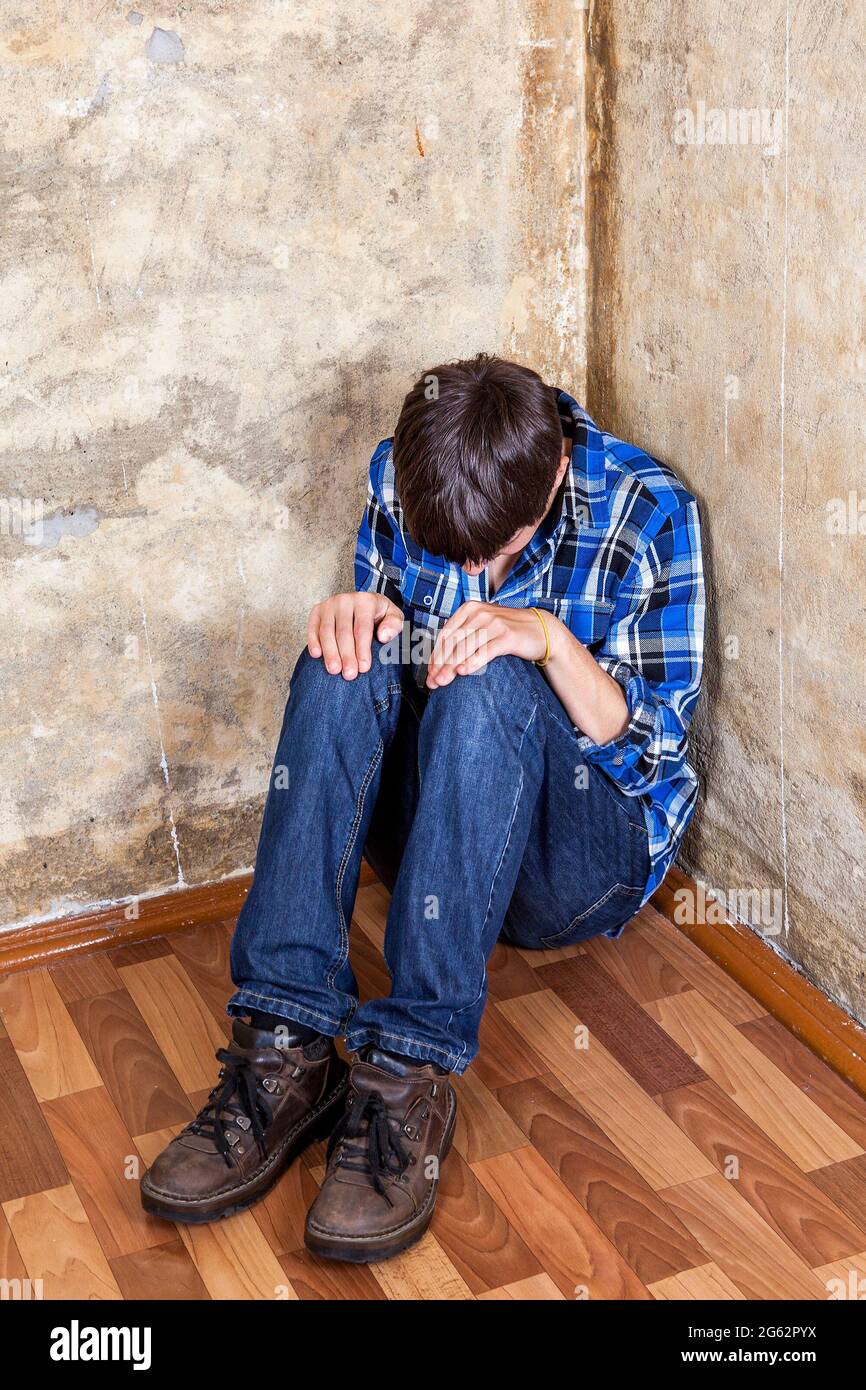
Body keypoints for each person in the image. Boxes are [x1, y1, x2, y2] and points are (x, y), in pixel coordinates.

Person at [140, 354, 705, 1263]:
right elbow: (388, 654)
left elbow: (656, 758)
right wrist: (358, 619)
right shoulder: (398, 475)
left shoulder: (649, 510)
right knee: (341, 661)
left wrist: (548, 641)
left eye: (503, 551)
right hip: (447, 833)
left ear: (557, 470)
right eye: (456, 559)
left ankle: (408, 1068)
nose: (479, 576)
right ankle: (287, 1044)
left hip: (578, 861)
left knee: (492, 684)